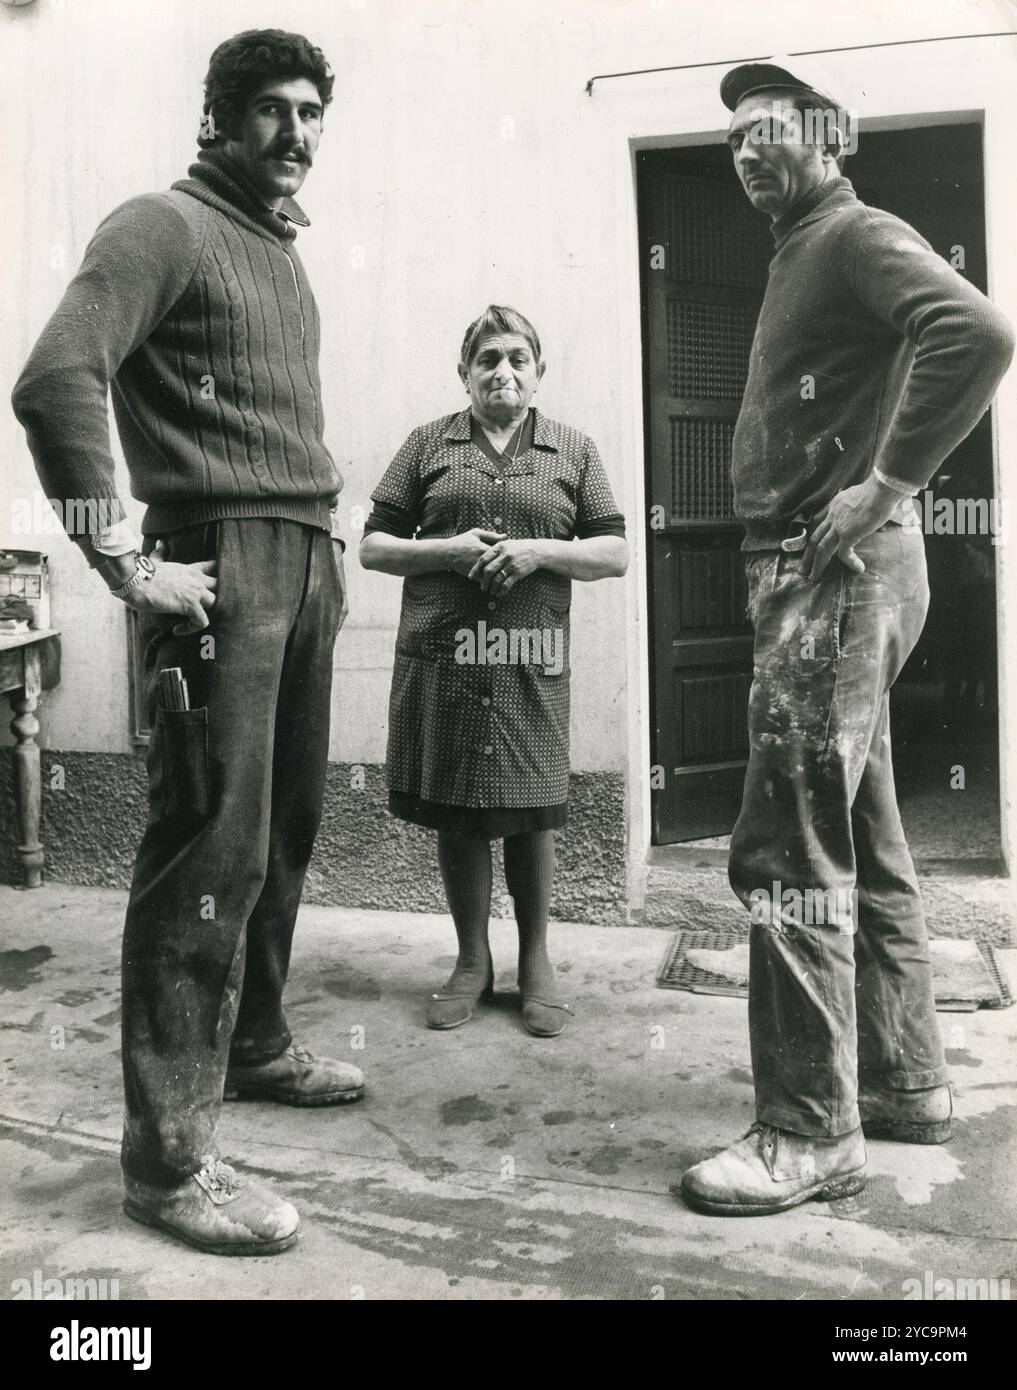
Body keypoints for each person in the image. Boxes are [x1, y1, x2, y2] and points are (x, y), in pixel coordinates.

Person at [12, 29, 363, 1256]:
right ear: (217, 120)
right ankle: (167, 1161)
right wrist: (122, 560)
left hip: (306, 553)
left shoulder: (278, 252)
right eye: (269, 109)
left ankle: (255, 1041)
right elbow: (57, 378)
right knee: (206, 844)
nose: (296, 131)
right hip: (218, 565)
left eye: (312, 110)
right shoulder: (162, 225)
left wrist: (319, 560)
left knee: (283, 828)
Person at [679, 60, 1014, 1216]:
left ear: (831, 137)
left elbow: (974, 332)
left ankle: (809, 1129)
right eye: (731, 140)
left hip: (838, 576)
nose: (743, 152)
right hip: (835, 579)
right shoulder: (803, 247)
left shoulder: (856, 231)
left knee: (785, 851)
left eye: (766, 129)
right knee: (860, 833)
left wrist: (882, 488)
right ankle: (905, 1080)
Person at [360, 306, 627, 1037]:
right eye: (486, 360)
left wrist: (540, 551)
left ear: (538, 372)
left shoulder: (571, 450)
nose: (501, 372)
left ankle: (535, 960)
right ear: (464, 372)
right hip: (445, 657)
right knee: (458, 810)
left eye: (516, 359)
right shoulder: (426, 445)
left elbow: (613, 552)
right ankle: (470, 960)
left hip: (526, 658)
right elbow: (374, 546)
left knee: (531, 809)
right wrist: (444, 550)